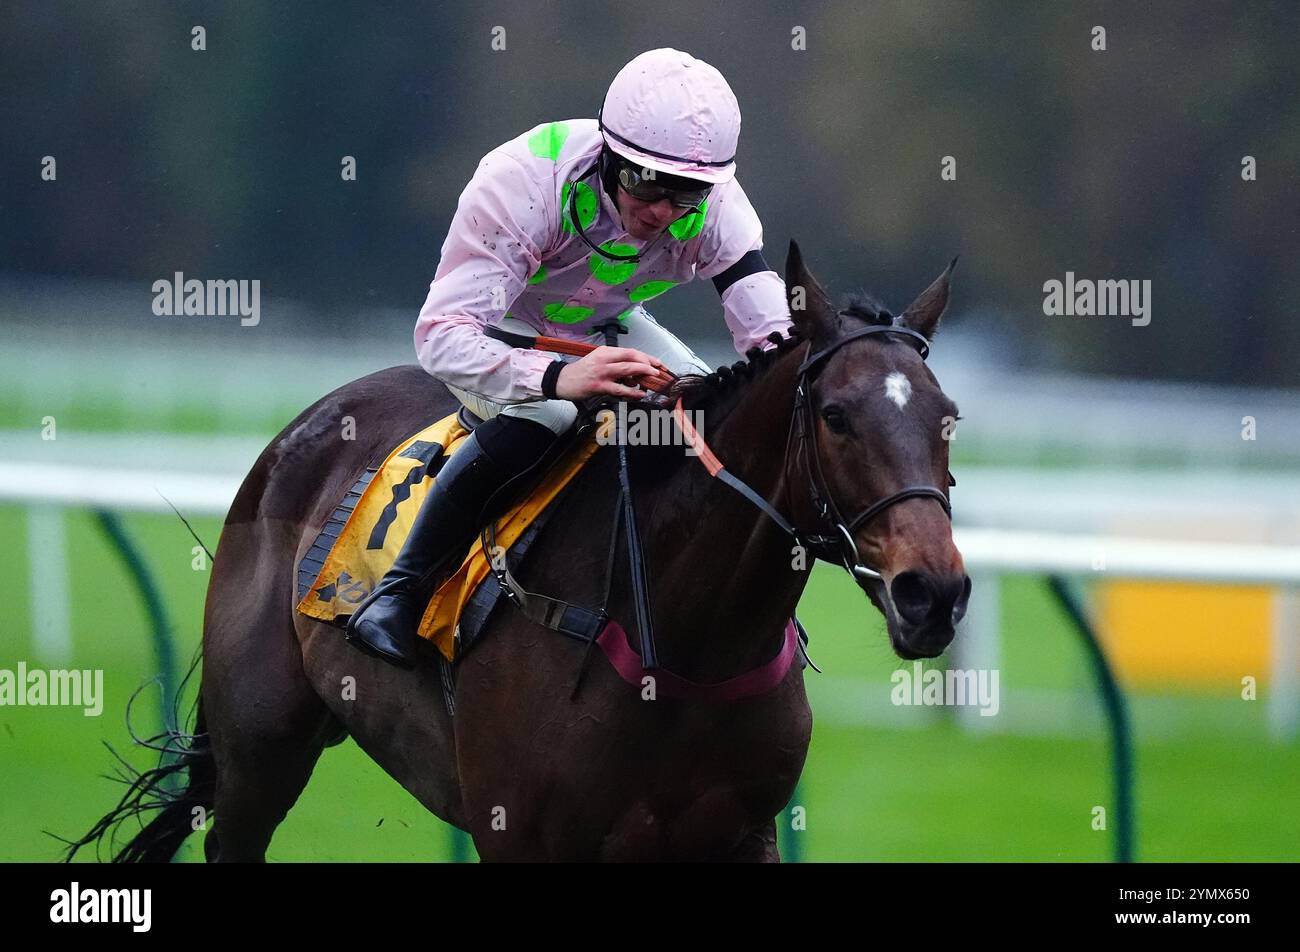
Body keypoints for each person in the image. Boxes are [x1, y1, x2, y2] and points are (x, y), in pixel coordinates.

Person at [346, 48, 794, 667]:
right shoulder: (521, 185)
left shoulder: (719, 209)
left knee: (694, 415)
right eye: (647, 183)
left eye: (687, 192)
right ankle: (399, 593)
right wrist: (561, 377)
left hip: (605, 322)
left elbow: (774, 338)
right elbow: (441, 336)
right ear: (610, 156)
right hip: (500, 320)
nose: (663, 210)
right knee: (552, 417)